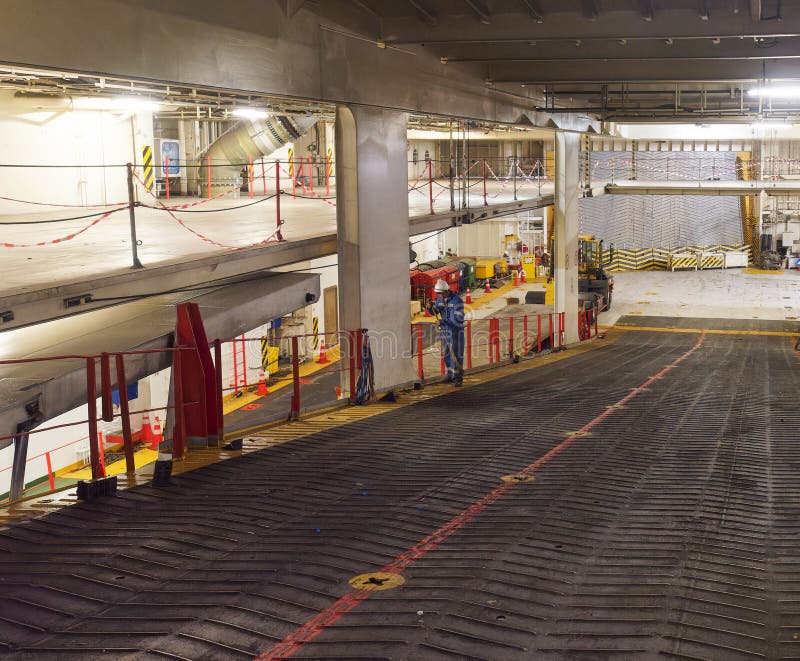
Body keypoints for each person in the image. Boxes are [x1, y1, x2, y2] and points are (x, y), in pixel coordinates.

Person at [427, 279, 465, 386]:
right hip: (445, 332)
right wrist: (430, 308)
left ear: (446, 290)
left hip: (456, 332)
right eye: (438, 293)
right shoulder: (439, 300)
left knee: (456, 355)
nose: (440, 295)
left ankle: (458, 379)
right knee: (447, 354)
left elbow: (458, 319)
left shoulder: (457, 301)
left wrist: (442, 321)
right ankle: (450, 375)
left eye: (441, 293)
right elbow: (435, 311)